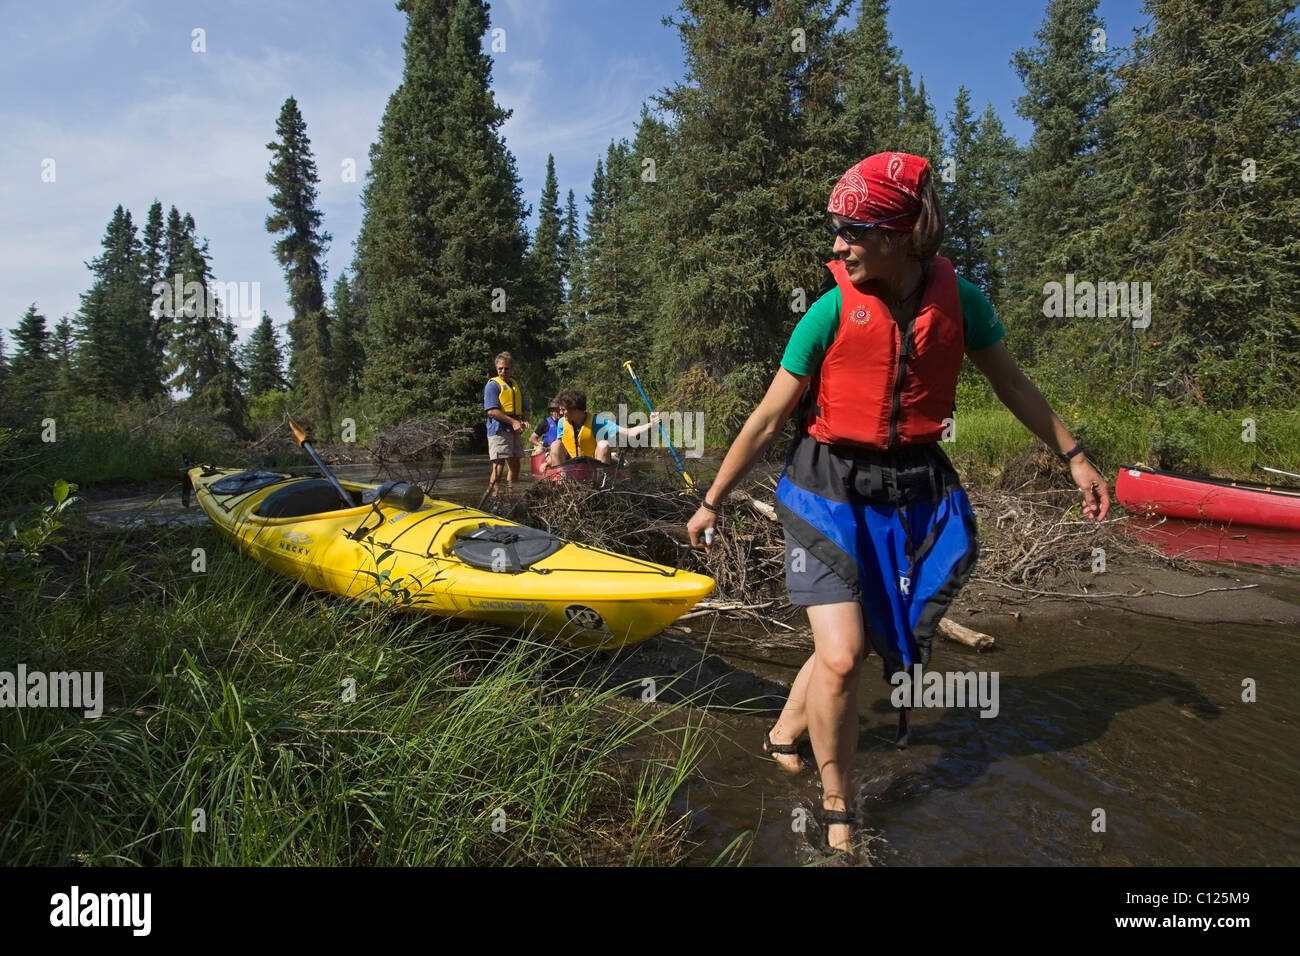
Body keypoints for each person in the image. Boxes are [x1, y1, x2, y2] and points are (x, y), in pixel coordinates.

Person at [685, 152, 1110, 855]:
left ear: (903, 233)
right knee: (846, 656)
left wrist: (1076, 457)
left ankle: (784, 732)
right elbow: (764, 420)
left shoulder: (962, 303)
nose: (837, 245)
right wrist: (713, 501)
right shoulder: (828, 311)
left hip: (910, 490)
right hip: (825, 489)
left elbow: (1015, 387)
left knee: (856, 640)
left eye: (853, 230)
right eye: (836, 229)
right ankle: (837, 809)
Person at [548, 387, 659, 468]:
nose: (561, 413)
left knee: (604, 445)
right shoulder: (562, 423)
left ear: (574, 409)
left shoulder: (597, 422)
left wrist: (651, 424)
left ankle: (602, 484)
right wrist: (548, 460)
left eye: (563, 410)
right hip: (569, 464)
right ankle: (560, 482)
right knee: (556, 444)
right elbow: (558, 450)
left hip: (592, 464)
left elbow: (629, 432)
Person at [483, 351, 530, 488]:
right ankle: (494, 497)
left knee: (515, 465)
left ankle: (512, 495)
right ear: (496, 368)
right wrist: (513, 422)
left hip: (514, 430)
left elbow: (525, 407)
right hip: (499, 429)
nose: (503, 371)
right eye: (500, 368)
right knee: (498, 466)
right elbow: (491, 411)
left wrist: (525, 420)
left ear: (512, 368)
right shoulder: (492, 385)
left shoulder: (514, 385)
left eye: (506, 368)